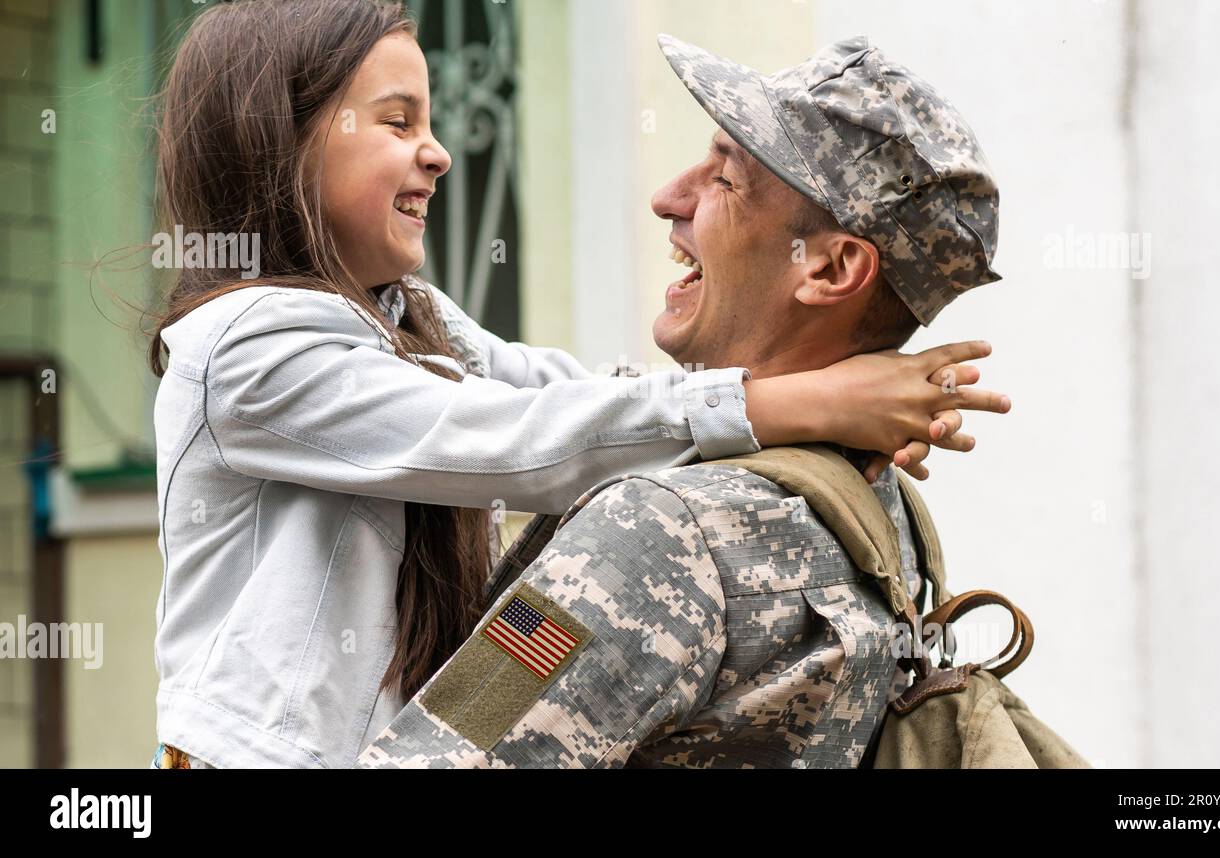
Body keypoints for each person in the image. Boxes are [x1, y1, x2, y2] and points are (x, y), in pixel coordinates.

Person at [146, 2, 1005, 768]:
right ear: (277, 143)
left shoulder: (650, 526)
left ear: (831, 267)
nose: (668, 198)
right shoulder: (874, 505)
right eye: (396, 122)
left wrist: (767, 403)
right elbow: (508, 431)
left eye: (724, 176)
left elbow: (458, 743)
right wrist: (795, 400)